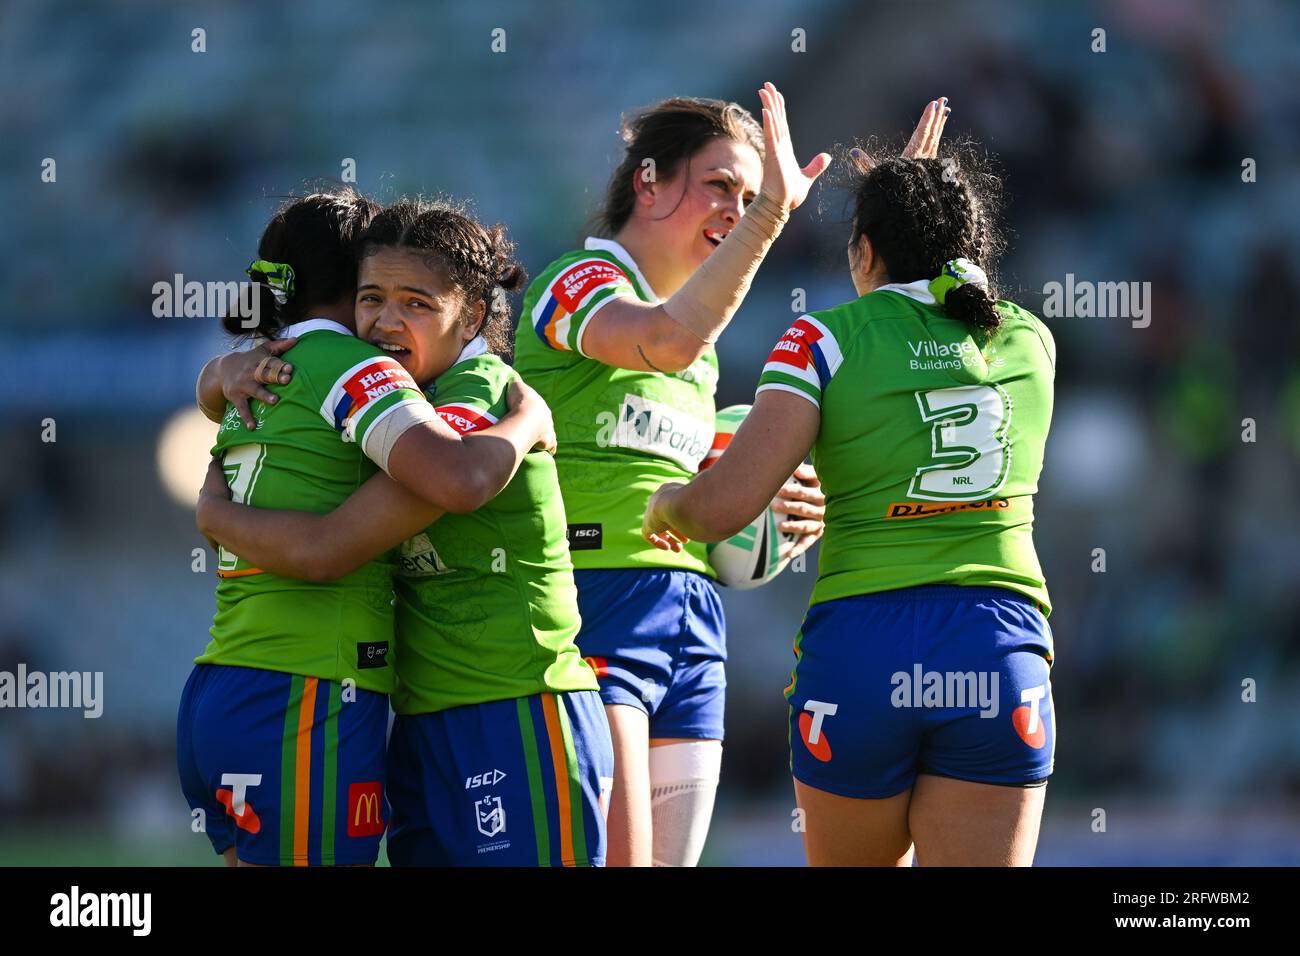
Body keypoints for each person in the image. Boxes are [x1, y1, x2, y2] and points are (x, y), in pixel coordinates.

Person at [515, 82, 948, 865]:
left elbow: (707, 452)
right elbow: (663, 341)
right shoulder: (576, 284)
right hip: (594, 605)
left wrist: (758, 485)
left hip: (693, 621)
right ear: (647, 180)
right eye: (721, 186)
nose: (738, 208)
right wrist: (774, 216)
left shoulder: (706, 347)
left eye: (751, 196)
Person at [642, 141, 1056, 867]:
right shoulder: (1028, 339)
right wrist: (922, 194)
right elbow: (945, 318)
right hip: (996, 645)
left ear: (864, 252)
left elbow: (723, 508)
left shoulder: (821, 341)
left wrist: (669, 504)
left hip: (864, 649)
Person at [197, 198, 614, 866]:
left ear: (472, 316)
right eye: (371, 297)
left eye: (416, 303)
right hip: (421, 724)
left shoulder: (478, 390)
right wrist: (221, 373)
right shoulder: (391, 405)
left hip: (514, 707)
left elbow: (447, 486)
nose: (387, 321)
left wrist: (529, 420)